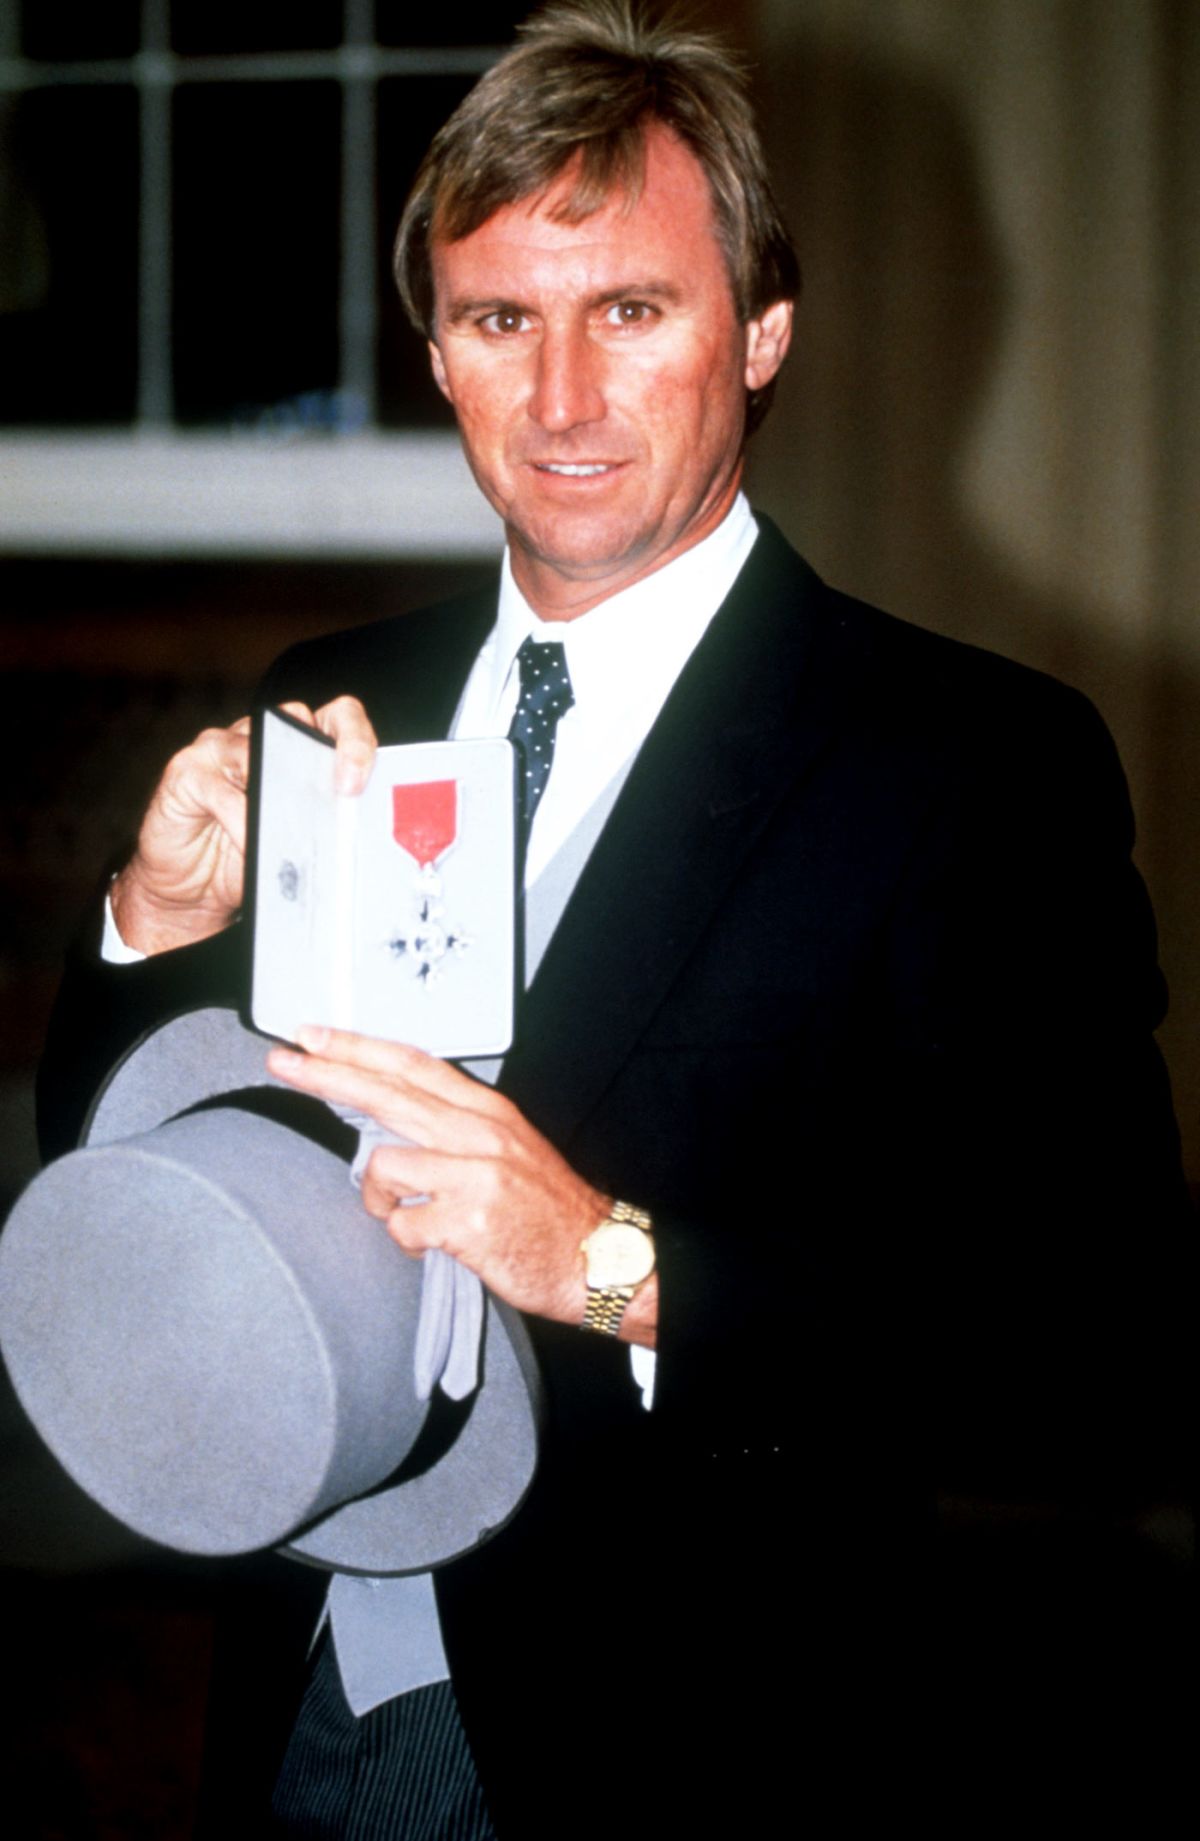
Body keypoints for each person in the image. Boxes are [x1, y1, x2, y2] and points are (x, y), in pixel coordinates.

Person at [36, 2, 1190, 1832]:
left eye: (630, 312)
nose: (562, 400)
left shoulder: (970, 762)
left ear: (765, 331)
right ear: (438, 355)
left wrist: (611, 1263)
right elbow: (150, 1176)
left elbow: (1099, 1347)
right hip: (290, 1687)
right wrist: (149, 920)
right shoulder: (339, 693)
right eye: (504, 320)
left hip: (681, 1744)